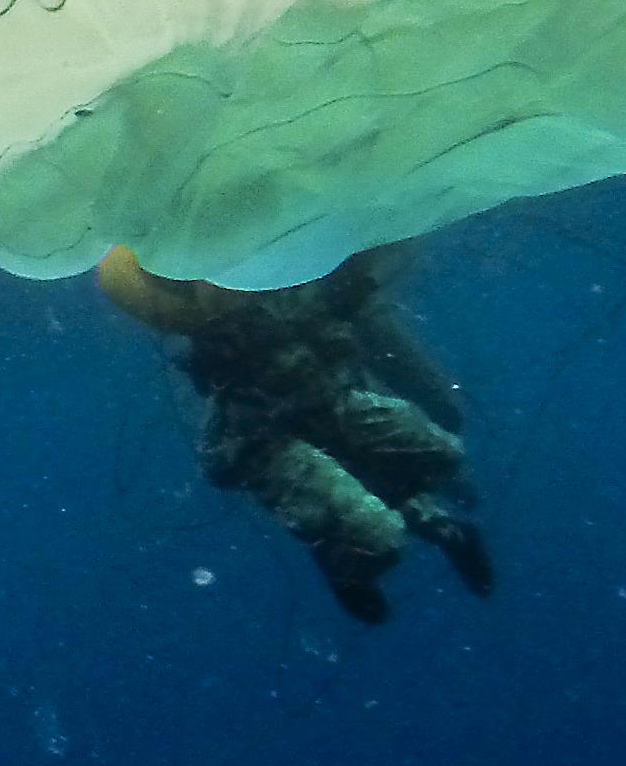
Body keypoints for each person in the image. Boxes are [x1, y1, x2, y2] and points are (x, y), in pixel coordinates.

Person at [97, 245, 496, 625]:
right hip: (267, 431)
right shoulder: (217, 313)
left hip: (326, 398)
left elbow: (367, 327)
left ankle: (434, 526)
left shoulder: (305, 287)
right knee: (380, 532)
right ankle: (345, 561)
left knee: (440, 454)